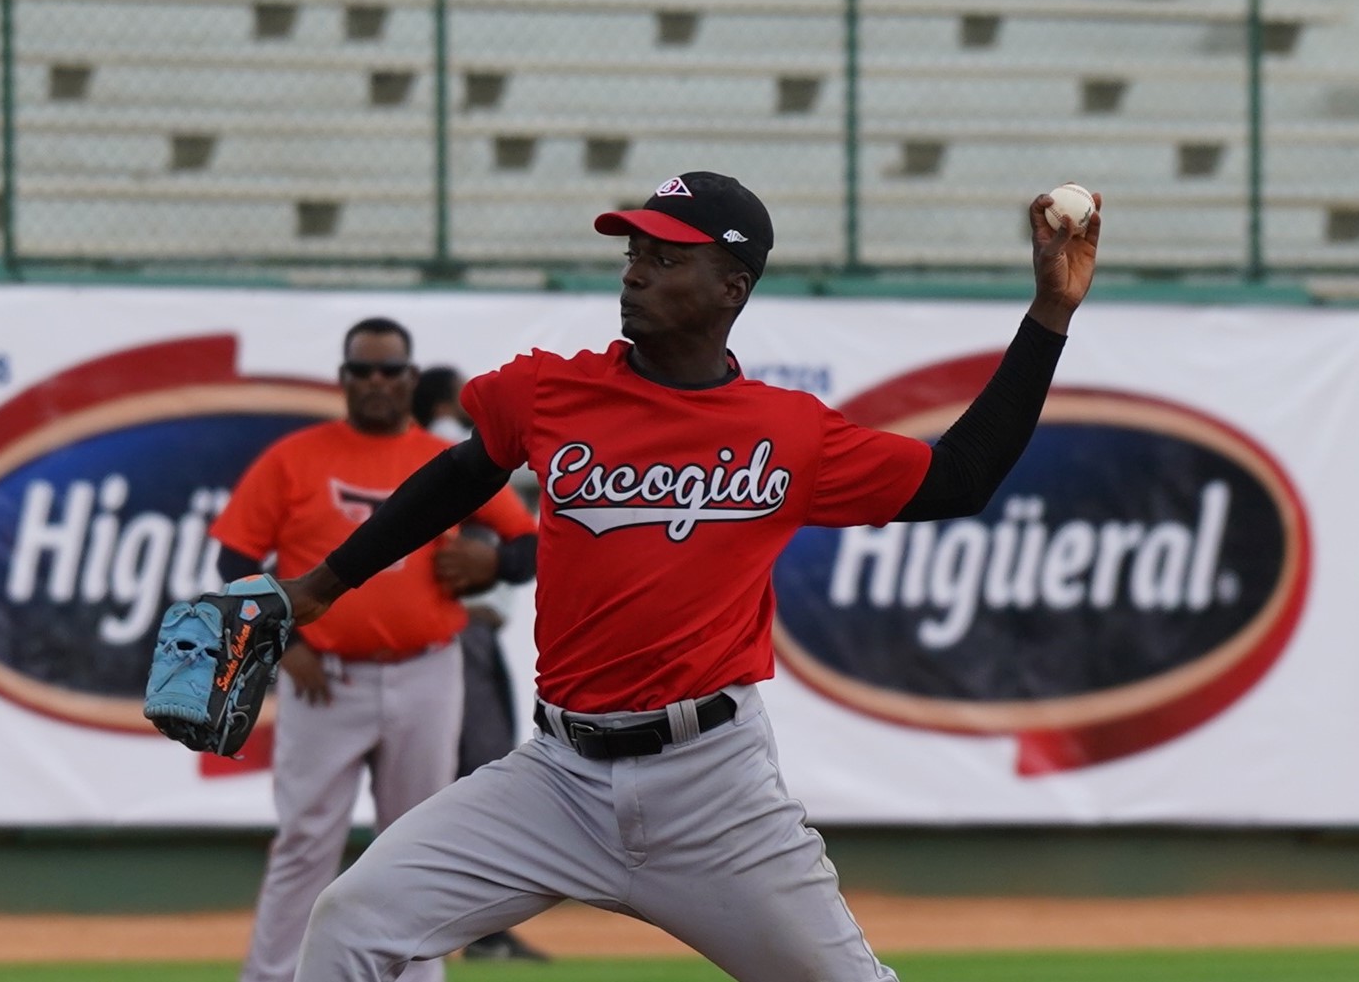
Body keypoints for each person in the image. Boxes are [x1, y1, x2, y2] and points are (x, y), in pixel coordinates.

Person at [258, 171, 1100, 980]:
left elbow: (961, 477)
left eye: (665, 258)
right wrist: (321, 586)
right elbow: (463, 471)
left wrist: (1049, 314)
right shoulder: (551, 391)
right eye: (634, 254)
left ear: (732, 286)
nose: (635, 274)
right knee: (352, 920)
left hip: (712, 788)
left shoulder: (787, 433)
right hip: (556, 778)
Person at [210, 317, 539, 982]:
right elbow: (234, 557)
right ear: (344, 378)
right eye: (363, 370)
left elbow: (531, 543)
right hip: (323, 676)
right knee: (306, 840)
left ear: (412, 378)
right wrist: (284, 642)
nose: (377, 382)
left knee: (417, 844)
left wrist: (493, 565)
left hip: (426, 670)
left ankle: (415, 977)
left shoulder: (446, 460)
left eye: (391, 370)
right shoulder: (296, 457)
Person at [411, 365, 550, 964]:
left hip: (456, 631)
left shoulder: (430, 446)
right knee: (485, 770)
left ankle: (468, 923)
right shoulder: (445, 438)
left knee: (464, 773)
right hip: (460, 628)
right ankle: (481, 929)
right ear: (446, 404)